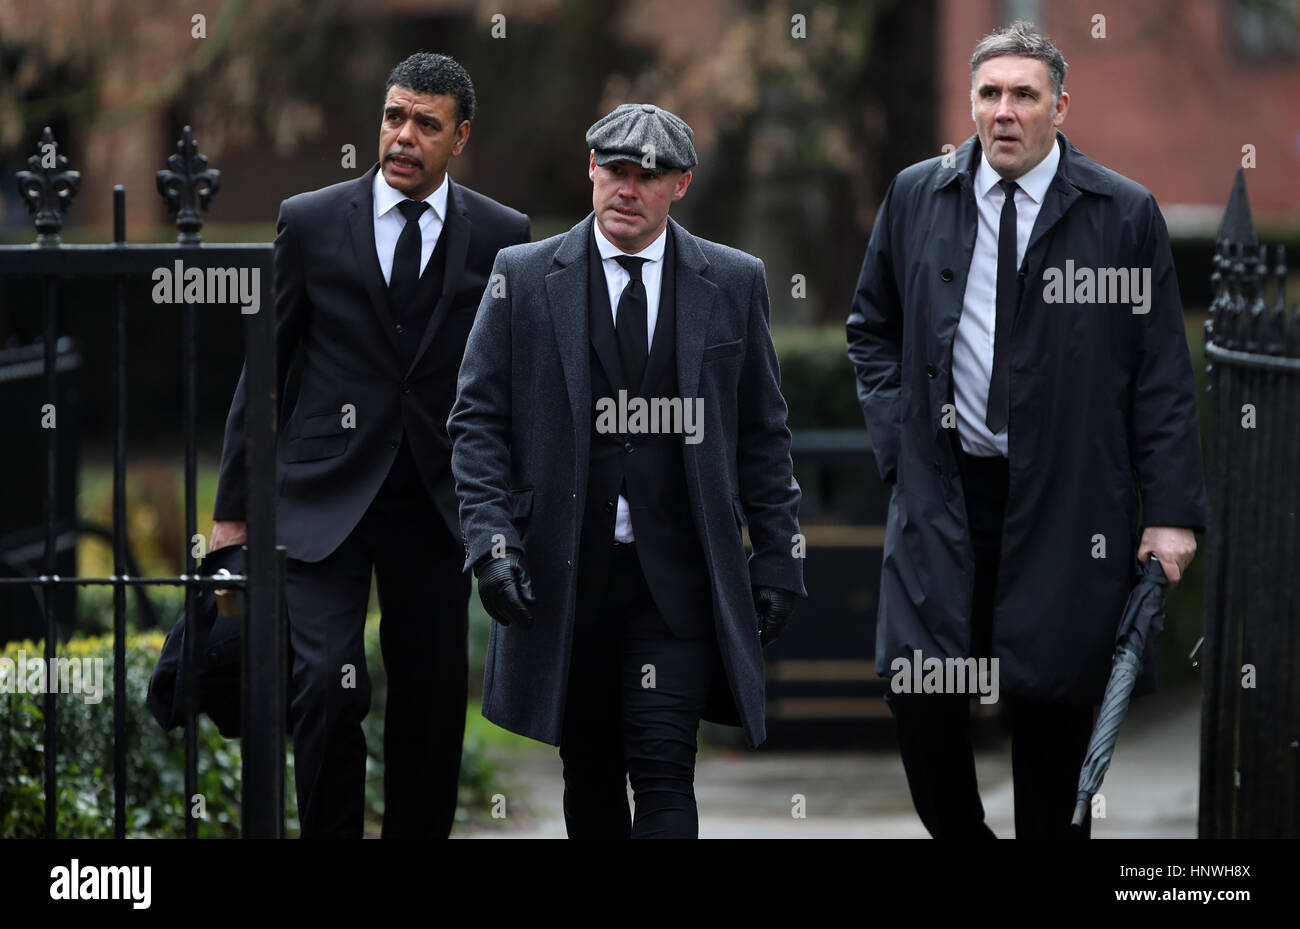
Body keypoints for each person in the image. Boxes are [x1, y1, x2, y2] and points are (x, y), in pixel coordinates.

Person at [845, 21, 1206, 839]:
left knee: (1052, 715)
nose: (1003, 112)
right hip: (944, 497)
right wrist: (903, 442)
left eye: (1023, 95)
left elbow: (1160, 374)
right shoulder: (918, 194)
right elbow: (871, 326)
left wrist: (1172, 512)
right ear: (971, 103)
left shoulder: (1121, 213)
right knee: (921, 690)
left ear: (1059, 106)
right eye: (989, 93)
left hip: (1070, 505)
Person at [448, 103, 804, 838]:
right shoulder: (522, 276)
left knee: (667, 769)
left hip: (678, 580)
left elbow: (763, 435)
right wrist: (492, 542)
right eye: (615, 170)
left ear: (682, 183)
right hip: (567, 579)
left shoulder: (734, 281)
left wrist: (778, 559)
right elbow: (476, 421)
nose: (627, 188)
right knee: (593, 778)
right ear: (590, 170)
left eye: (649, 176)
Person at [210, 52, 530, 838]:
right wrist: (231, 515)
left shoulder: (502, 236)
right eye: (394, 116)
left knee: (428, 698)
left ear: (460, 138)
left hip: (436, 501)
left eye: (427, 123)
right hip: (322, 497)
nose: (404, 135)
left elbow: (516, 388)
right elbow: (265, 375)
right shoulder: (311, 220)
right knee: (323, 683)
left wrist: (511, 512)